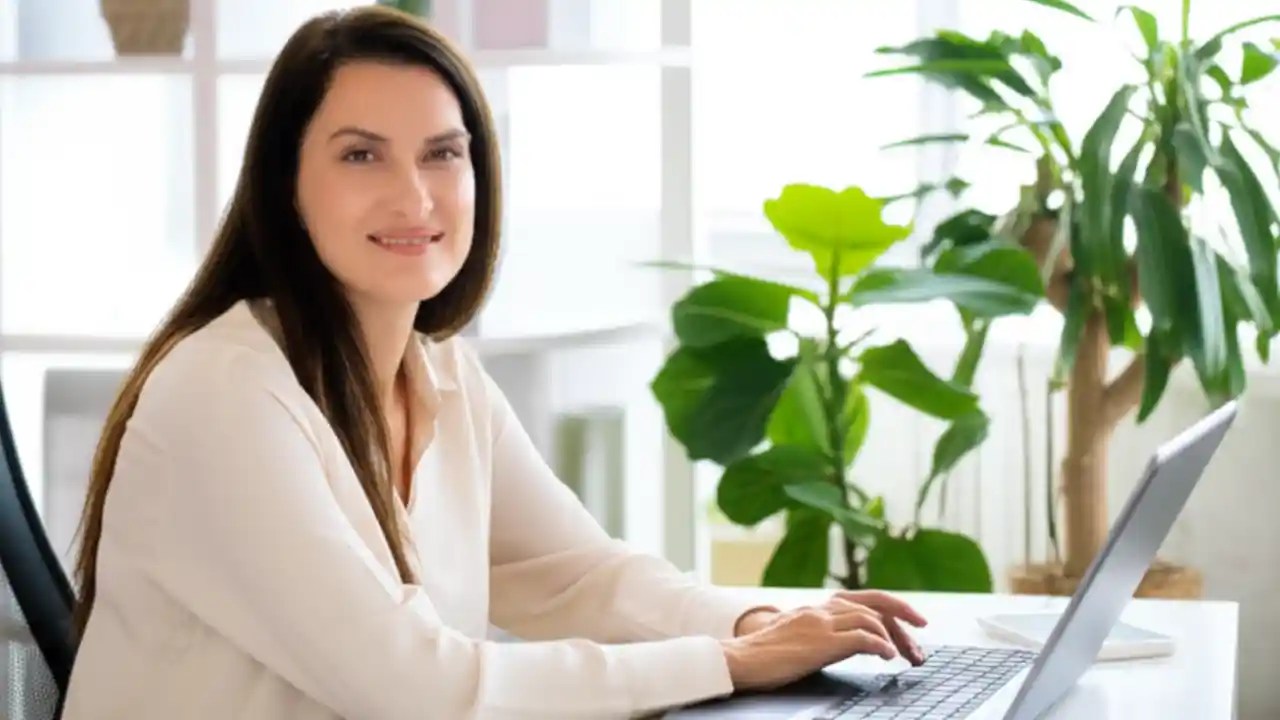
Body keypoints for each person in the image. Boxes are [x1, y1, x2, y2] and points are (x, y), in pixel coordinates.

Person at [60, 6, 927, 719]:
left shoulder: (441, 376)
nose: (416, 195)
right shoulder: (224, 394)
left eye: (444, 153)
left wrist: (762, 617)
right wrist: (730, 661)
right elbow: (417, 688)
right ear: (285, 188)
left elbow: (576, 574)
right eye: (361, 155)